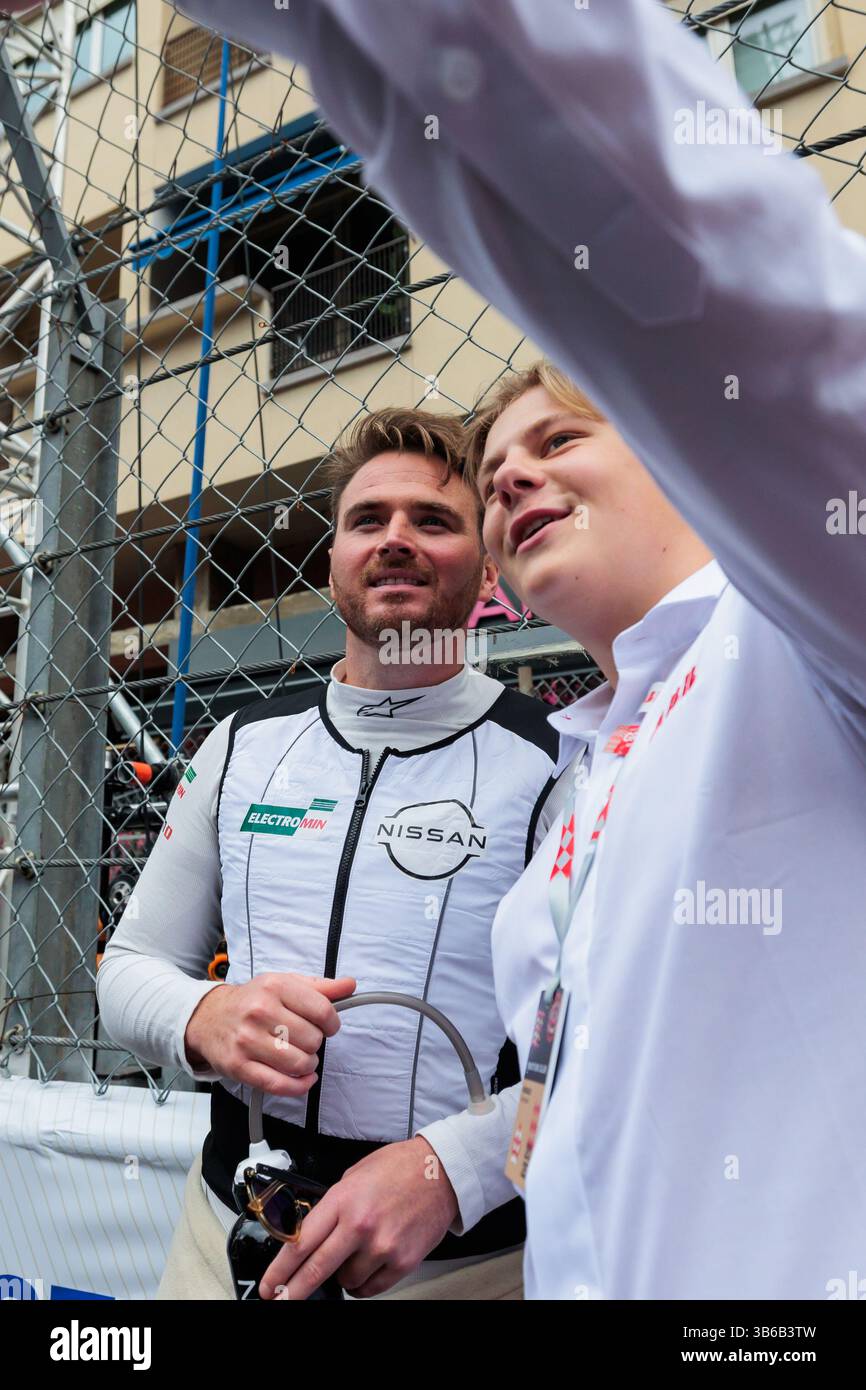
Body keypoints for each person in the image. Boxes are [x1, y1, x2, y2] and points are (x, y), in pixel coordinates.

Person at [177, 0, 866, 1299]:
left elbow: (704, 289)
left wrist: (449, 1159)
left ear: (682, 447)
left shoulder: (812, 635)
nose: (516, 483)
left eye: (560, 441)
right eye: (496, 474)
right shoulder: (595, 760)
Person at [97, 407, 568, 1299]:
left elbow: (601, 1050)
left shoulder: (556, 757)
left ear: (491, 566)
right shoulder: (239, 743)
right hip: (224, 1241)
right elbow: (128, 968)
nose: (396, 539)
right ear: (333, 563)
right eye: (367, 520)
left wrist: (451, 1169)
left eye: (433, 521)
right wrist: (203, 1016)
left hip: (470, 1265)